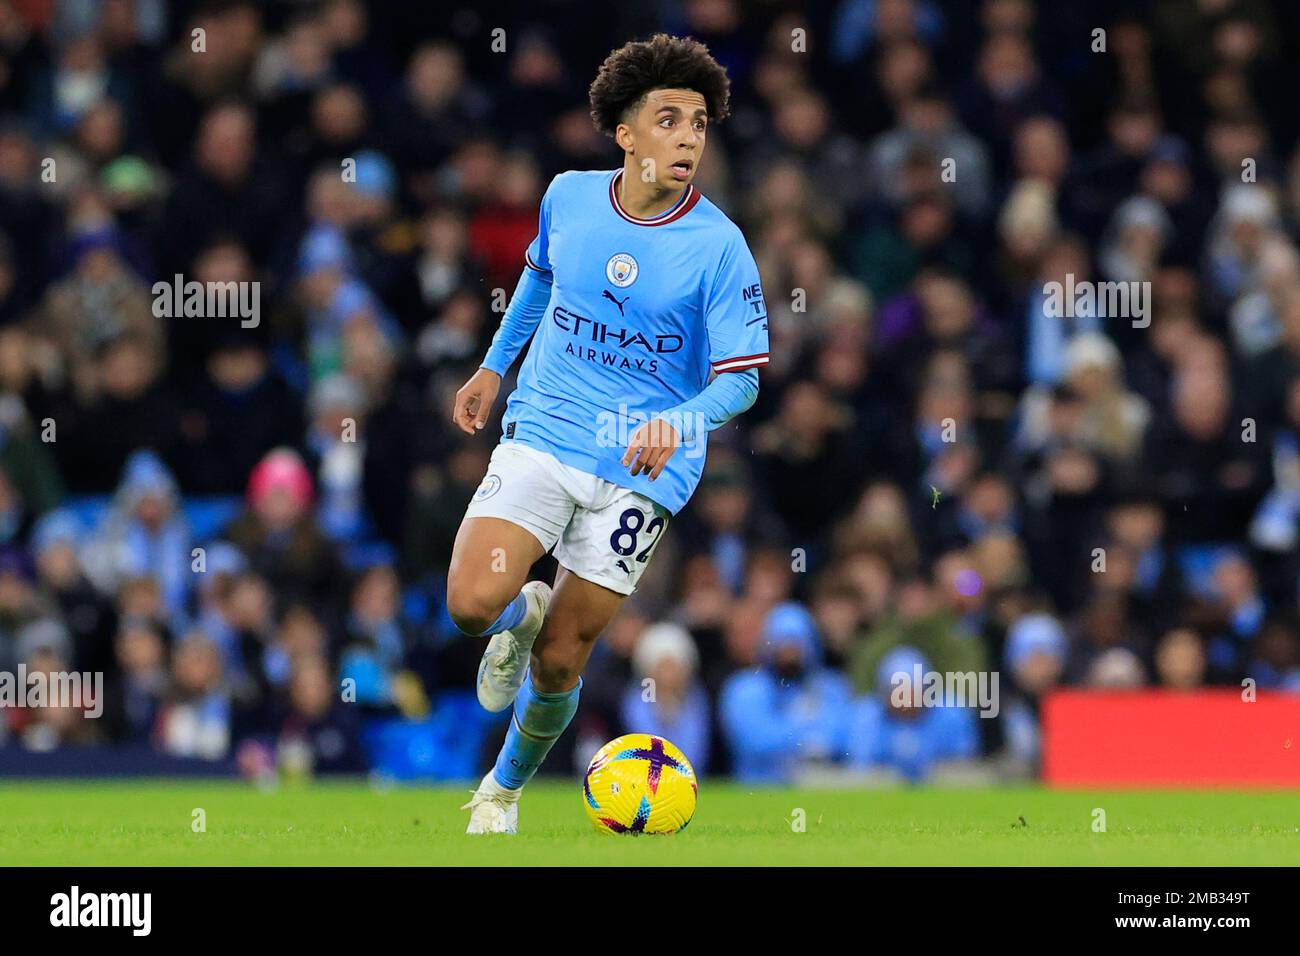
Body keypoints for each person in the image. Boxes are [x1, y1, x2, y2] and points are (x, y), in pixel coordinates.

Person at [447, 35, 768, 833]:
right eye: (669, 120)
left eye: (699, 122)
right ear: (625, 134)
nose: (689, 136)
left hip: (643, 467)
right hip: (549, 427)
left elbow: (743, 377)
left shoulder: (719, 246)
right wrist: (493, 366)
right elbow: (541, 277)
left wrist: (679, 419)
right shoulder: (569, 196)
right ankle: (514, 618)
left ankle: (503, 790)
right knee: (468, 602)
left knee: (563, 659)